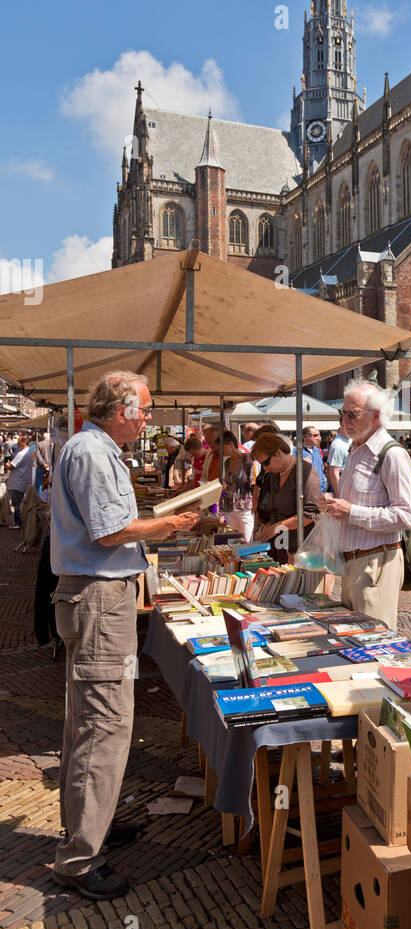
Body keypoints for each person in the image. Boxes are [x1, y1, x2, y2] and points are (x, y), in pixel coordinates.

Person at [51, 371, 200, 898]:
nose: (148, 419)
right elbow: (109, 531)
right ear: (120, 409)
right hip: (97, 598)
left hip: (93, 596)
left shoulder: (93, 447)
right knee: (105, 723)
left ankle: (91, 824)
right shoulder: (92, 452)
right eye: (144, 410)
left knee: (89, 721)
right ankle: (79, 858)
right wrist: (168, 525)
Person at [316, 382, 411, 631]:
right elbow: (354, 505)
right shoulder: (357, 449)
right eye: (343, 413)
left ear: (377, 415)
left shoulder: (391, 454)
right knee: (353, 640)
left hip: (376, 565)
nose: (345, 420)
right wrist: (333, 505)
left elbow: (405, 516)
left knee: (373, 642)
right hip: (352, 564)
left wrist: (350, 511)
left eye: (353, 414)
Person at [250, 431, 319, 563]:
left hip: (300, 548)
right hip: (279, 547)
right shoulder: (274, 475)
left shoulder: (305, 471)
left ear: (278, 452)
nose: (265, 468)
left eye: (266, 463)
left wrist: (274, 529)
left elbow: (310, 515)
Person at [215, 430, 255, 542]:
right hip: (228, 507)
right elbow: (227, 484)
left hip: (245, 507)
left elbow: (254, 484)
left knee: (247, 541)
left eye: (222, 448)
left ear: (231, 444)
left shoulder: (248, 459)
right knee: (233, 542)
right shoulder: (227, 462)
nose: (220, 452)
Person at [6, 436, 34, 527]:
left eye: (19, 441)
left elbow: (11, 466)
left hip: (18, 482)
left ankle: (18, 523)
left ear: (24, 442)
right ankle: (21, 522)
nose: (17, 443)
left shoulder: (21, 454)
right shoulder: (29, 451)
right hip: (24, 480)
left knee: (17, 504)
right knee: (20, 503)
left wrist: (7, 464)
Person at [327, 414, 351, 494]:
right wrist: (339, 495)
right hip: (342, 486)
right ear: (342, 425)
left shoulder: (349, 440)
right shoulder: (338, 445)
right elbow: (334, 472)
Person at [300, 426, 328, 493]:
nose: (319, 438)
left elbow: (321, 470)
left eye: (319, 435)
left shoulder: (317, 451)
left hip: (320, 490)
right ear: (307, 436)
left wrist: (324, 485)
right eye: (316, 435)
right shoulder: (297, 451)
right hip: (306, 491)